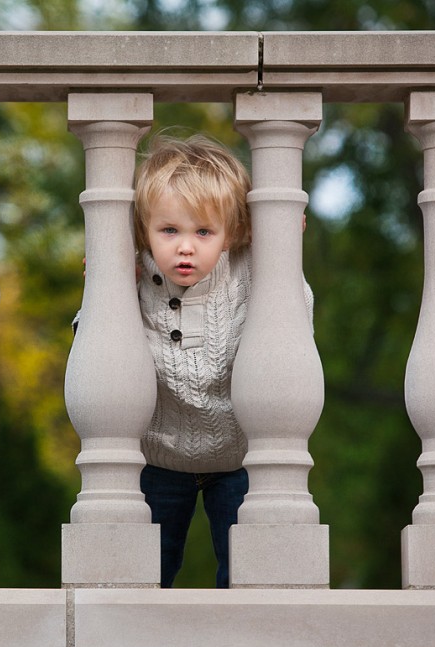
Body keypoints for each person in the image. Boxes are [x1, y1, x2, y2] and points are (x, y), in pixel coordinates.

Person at [131, 133, 313, 588]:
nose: (185, 247)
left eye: (204, 232)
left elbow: (293, 324)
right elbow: (95, 351)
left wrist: (285, 252)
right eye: (169, 230)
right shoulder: (133, 274)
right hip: (159, 456)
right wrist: (103, 288)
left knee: (248, 572)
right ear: (145, 231)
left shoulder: (250, 269)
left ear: (233, 233)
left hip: (239, 457)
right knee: (145, 571)